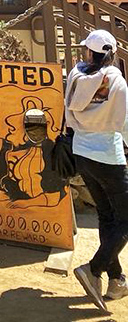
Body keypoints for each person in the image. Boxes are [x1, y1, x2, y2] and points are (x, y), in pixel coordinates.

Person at [66, 29, 128, 311]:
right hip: (108, 156)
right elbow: (124, 121)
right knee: (125, 220)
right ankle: (93, 269)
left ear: (90, 52)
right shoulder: (117, 82)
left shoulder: (76, 76)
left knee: (107, 216)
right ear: (111, 54)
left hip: (82, 153)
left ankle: (116, 281)